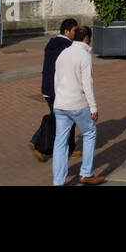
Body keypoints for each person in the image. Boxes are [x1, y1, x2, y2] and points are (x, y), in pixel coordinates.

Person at [51, 25, 103, 186]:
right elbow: (87, 84)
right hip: (77, 103)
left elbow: (56, 79)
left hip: (60, 104)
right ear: (87, 38)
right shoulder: (84, 56)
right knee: (89, 133)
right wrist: (93, 107)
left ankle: (58, 181)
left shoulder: (63, 53)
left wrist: (58, 99)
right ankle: (86, 173)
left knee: (60, 142)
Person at [30, 18, 78, 162]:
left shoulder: (54, 43)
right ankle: (38, 144)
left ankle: (68, 148)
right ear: (66, 31)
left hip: (49, 88)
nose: (76, 33)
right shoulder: (66, 47)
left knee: (62, 117)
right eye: (75, 31)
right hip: (58, 90)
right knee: (61, 118)